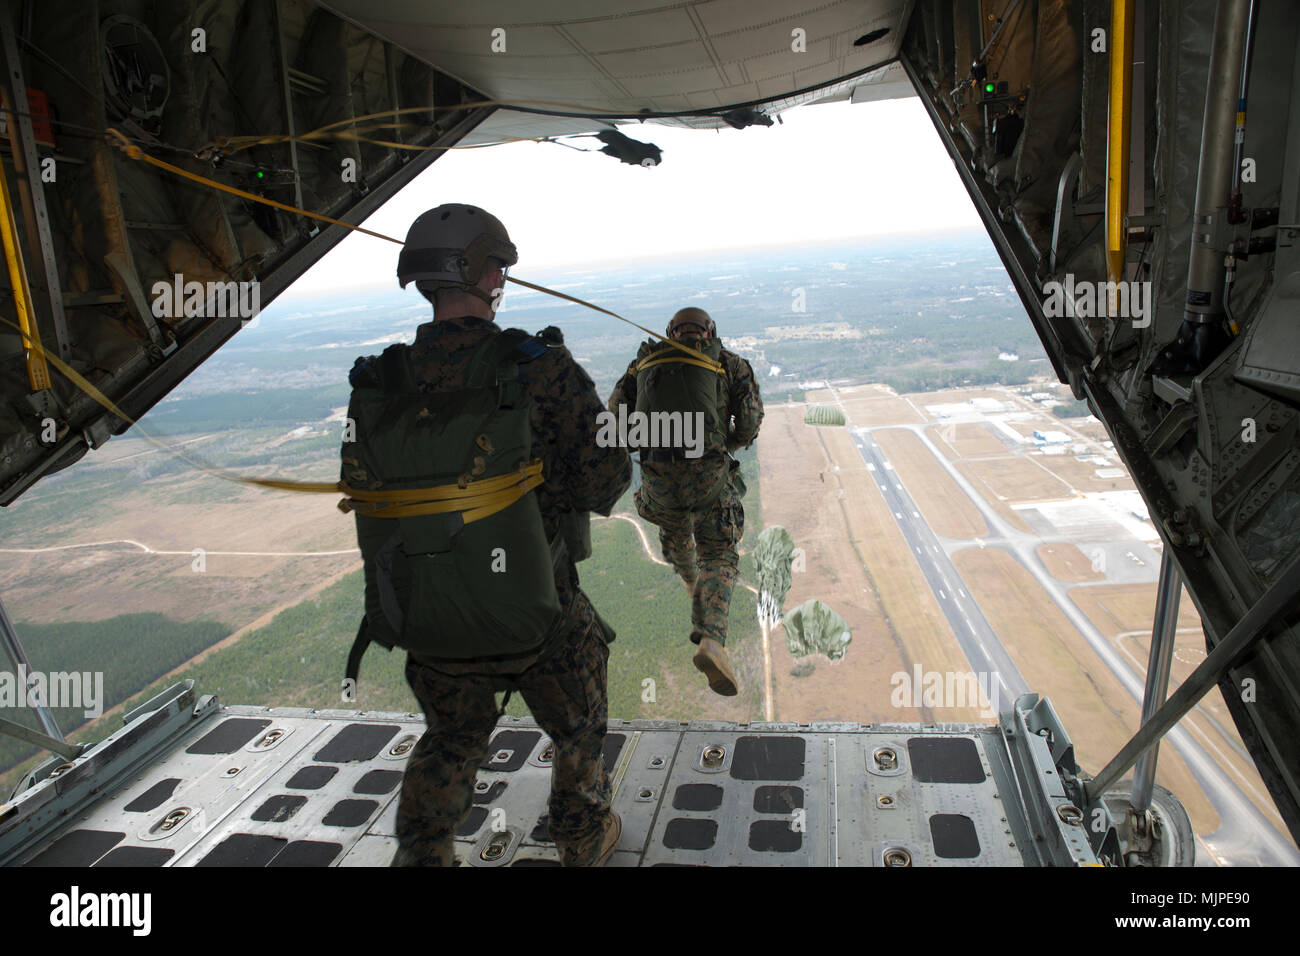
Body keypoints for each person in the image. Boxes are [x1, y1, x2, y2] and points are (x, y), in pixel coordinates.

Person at [345, 204, 631, 866]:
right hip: (537, 610)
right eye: (498, 265)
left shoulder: (378, 381)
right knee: (580, 724)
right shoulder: (538, 365)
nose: (502, 277)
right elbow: (605, 481)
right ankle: (582, 835)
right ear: (481, 271)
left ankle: (424, 854)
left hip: (429, 613)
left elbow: (365, 486)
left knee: (451, 737)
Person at [607, 307, 763, 696]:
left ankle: (691, 582)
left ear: (670, 332)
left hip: (659, 481)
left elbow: (616, 421)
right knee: (720, 553)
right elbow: (749, 422)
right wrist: (726, 444)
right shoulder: (729, 363)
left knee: (673, 525)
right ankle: (712, 640)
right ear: (710, 332)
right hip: (708, 479)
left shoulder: (643, 364)